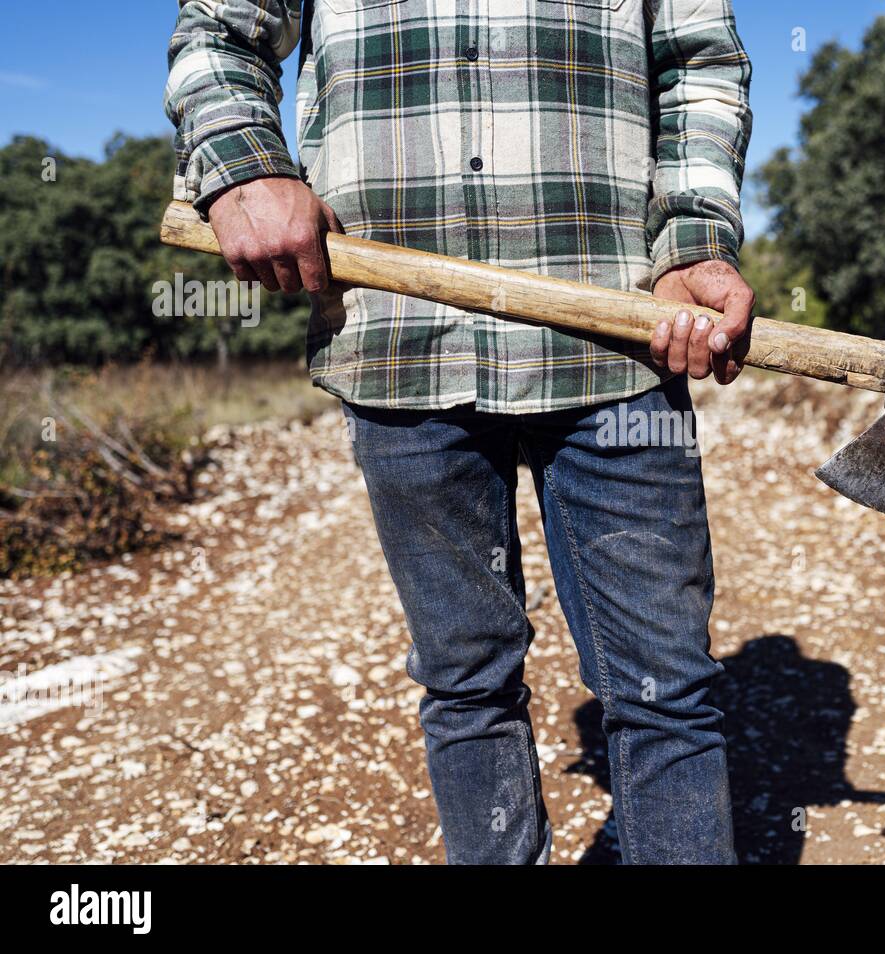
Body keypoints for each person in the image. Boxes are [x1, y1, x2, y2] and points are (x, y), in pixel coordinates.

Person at [166, 0, 752, 864]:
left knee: (665, 690)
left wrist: (695, 238)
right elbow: (218, 28)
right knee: (466, 685)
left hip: (622, 335)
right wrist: (247, 166)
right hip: (396, 329)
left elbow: (699, 62)